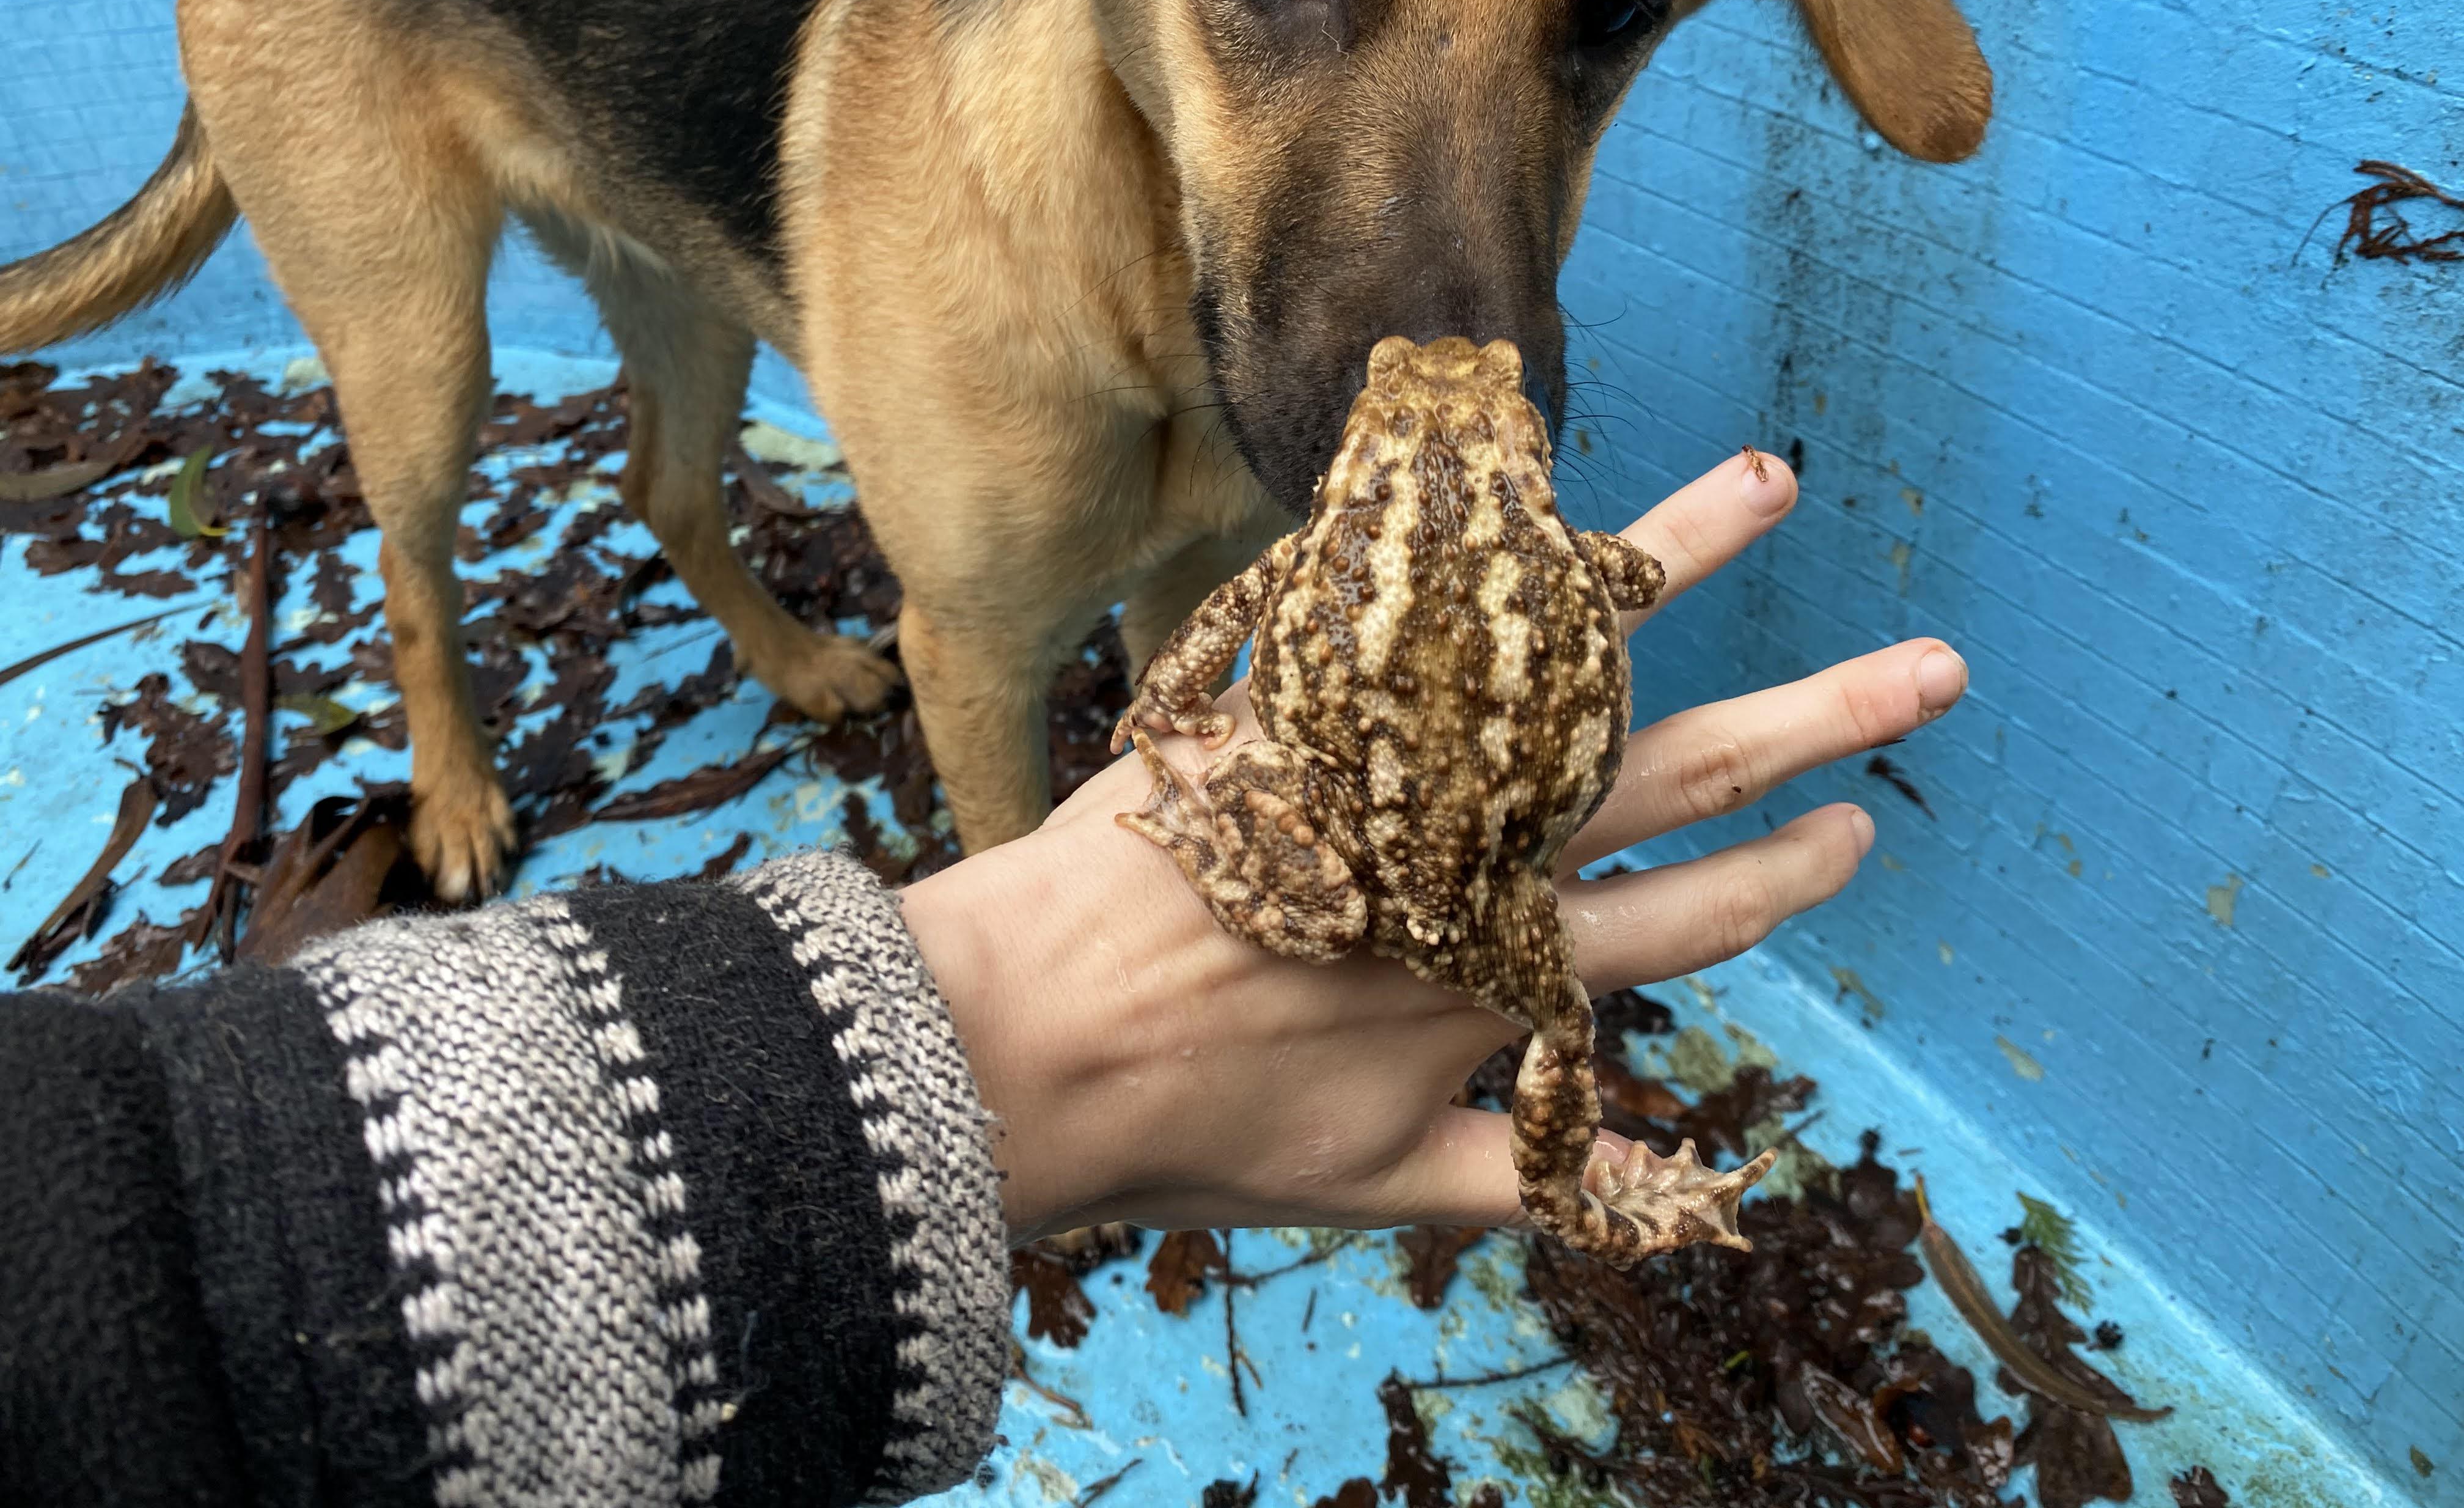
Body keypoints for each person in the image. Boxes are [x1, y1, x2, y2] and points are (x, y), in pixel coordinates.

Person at [0, 452, 1968, 1507]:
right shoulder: (1477, 571)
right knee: (1557, 1005)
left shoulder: (1314, 558)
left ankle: (1592, 1155)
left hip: (1343, 840)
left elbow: (1217, 655)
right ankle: (1598, 1155)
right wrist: (998, 1004)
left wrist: (1160, 778)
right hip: (1398, 877)